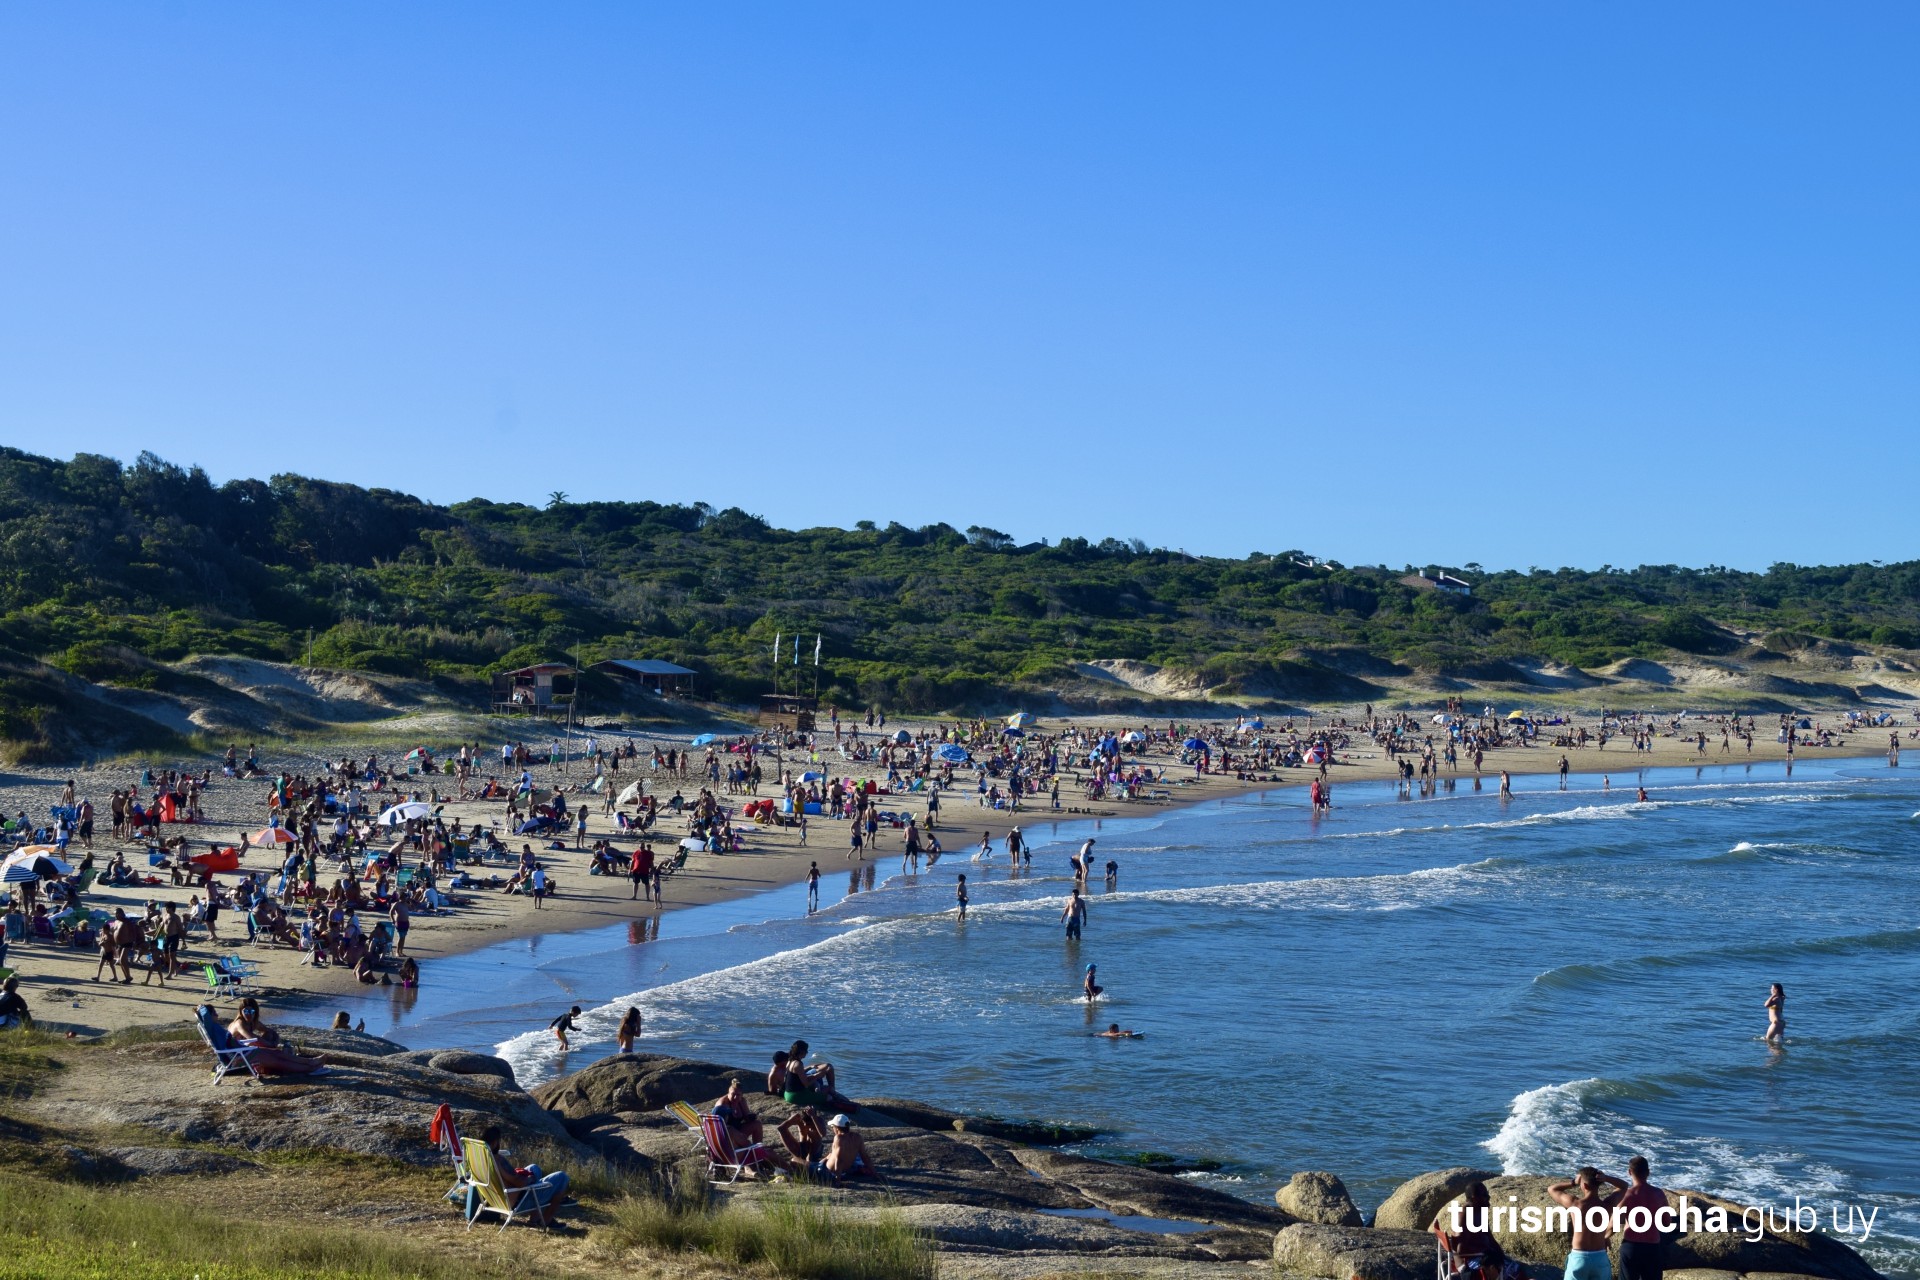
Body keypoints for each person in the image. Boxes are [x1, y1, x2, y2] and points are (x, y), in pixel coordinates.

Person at [469, 1124, 567, 1226]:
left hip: (493, 1198)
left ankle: (535, 1219)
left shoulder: (477, 1160)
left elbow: (507, 1178)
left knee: (534, 1168)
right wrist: (529, 1179)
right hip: (516, 1203)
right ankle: (546, 1221)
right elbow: (520, 1183)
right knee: (562, 1177)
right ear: (494, 1143)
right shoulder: (497, 1161)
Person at [1547, 1167, 1627, 1280]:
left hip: (1579, 1258)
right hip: (1600, 1258)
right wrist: (1606, 1178)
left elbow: (1552, 1189)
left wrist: (1573, 1182)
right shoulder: (1607, 1205)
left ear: (1583, 1185)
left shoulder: (1575, 1204)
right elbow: (1624, 1186)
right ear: (1599, 1184)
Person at [227, 999, 328, 1075]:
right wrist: (271, 1045)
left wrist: (275, 1039)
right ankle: (310, 1068)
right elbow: (254, 1039)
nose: (249, 1015)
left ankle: (310, 1062)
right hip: (236, 1058)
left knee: (274, 1045)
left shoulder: (251, 1022)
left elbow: (269, 1031)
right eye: (246, 1012)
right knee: (278, 1060)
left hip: (245, 1052)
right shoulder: (239, 1023)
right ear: (240, 1012)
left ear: (255, 1012)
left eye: (252, 1012)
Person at [1618, 1156, 1667, 1280]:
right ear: (1648, 1172)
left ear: (1629, 1172)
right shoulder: (1659, 1194)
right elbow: (1666, 1222)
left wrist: (1605, 1237)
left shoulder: (1626, 1195)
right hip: (1652, 1247)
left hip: (1631, 1247)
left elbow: (1615, 1222)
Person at [818, 1113, 873, 1181]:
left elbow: (839, 1159)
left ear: (836, 1128)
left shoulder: (839, 1138)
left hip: (829, 1171)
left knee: (805, 1165)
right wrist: (875, 1173)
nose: (832, 1129)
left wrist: (837, 1180)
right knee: (830, 1155)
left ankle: (818, 1164)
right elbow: (865, 1156)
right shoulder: (857, 1137)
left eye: (832, 1126)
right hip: (844, 1170)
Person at [714, 1078, 765, 1147]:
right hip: (727, 1136)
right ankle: (748, 1147)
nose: (735, 1097)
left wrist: (750, 1117)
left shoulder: (741, 1101)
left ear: (741, 1095)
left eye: (738, 1095)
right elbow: (720, 1127)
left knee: (757, 1124)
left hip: (738, 1131)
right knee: (731, 1130)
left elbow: (747, 1118)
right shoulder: (722, 1105)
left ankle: (758, 1149)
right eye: (733, 1094)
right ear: (728, 1093)